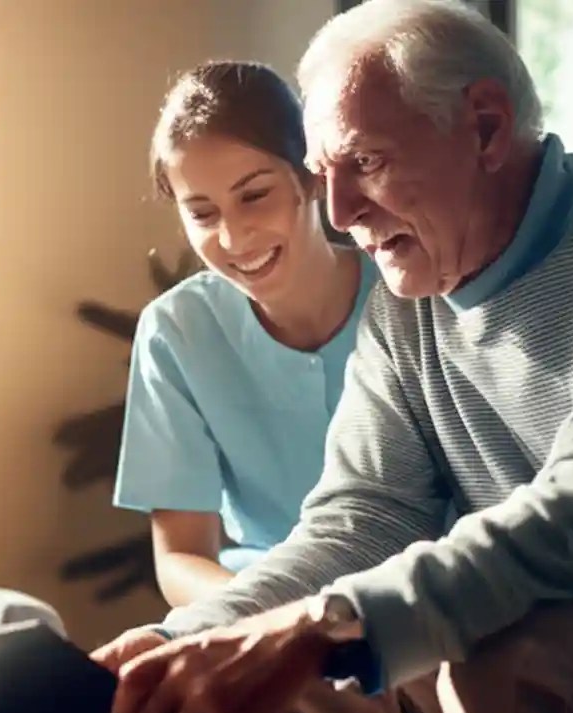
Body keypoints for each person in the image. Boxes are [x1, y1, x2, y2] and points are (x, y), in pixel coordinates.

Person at [93, 1, 573, 713]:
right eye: (325, 176)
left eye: (364, 162)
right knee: (252, 691)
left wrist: (325, 624)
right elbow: (362, 518)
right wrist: (187, 641)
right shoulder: (409, 303)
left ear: (488, 128)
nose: (338, 214)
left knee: (499, 661)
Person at [114, 60, 378, 609]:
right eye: (202, 213)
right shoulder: (176, 332)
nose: (233, 238)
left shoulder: (410, 297)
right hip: (258, 596)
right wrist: (275, 617)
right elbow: (181, 558)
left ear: (310, 176)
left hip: (421, 603)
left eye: (254, 196)